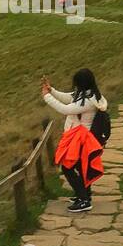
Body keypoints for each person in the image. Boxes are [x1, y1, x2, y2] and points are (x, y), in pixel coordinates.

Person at [40, 68, 108, 212]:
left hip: (81, 139)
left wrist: (47, 97)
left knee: (68, 167)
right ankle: (84, 195)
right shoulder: (89, 95)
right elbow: (69, 98)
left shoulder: (88, 101)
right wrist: (51, 90)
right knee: (79, 167)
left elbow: (66, 109)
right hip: (79, 137)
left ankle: (84, 199)